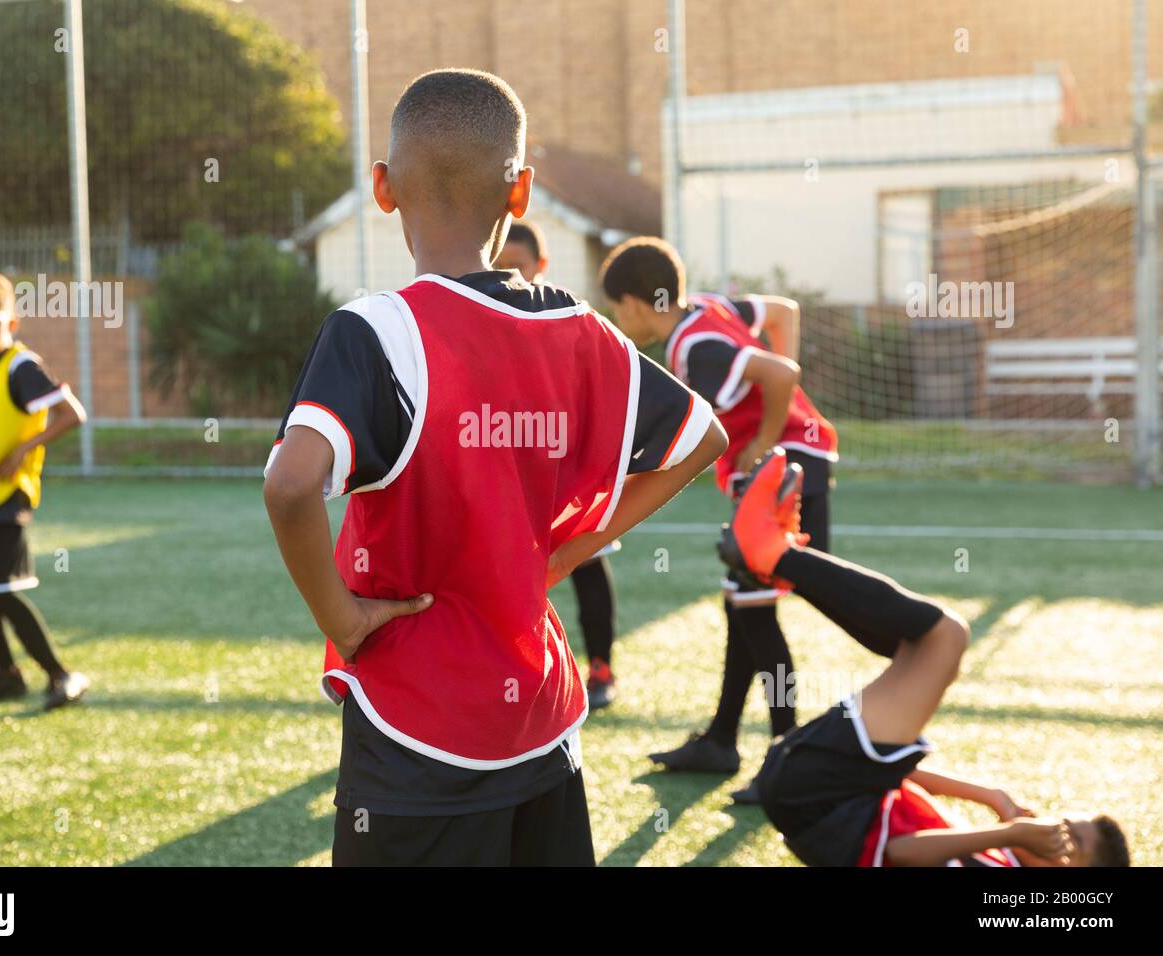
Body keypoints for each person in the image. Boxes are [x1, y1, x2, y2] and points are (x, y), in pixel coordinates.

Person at [262, 69, 726, 866]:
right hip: (543, 720)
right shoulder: (579, 329)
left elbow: (291, 483)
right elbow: (703, 438)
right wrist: (571, 550)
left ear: (382, 188)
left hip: (415, 731)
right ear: (522, 194)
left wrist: (340, 620)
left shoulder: (375, 332)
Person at [726, 449, 1130, 867]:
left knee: (946, 637)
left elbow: (900, 852)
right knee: (916, 647)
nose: (1057, 831)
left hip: (819, 798)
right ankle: (777, 562)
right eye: (1064, 823)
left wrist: (1005, 831)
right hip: (816, 786)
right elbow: (904, 777)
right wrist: (990, 796)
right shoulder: (997, 852)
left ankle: (772, 554)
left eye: (1070, 843)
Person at [600, 237, 837, 801]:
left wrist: (765, 437)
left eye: (616, 310)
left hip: (786, 473)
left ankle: (790, 760)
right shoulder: (707, 307)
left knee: (754, 612)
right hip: (796, 463)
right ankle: (723, 741)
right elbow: (785, 314)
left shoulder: (695, 344)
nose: (618, 320)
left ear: (634, 303)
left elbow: (780, 372)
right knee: (743, 603)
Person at [495, 220, 620, 709]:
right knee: (498, 574)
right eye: (499, 265)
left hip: (564, 465)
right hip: (503, 464)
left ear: (541, 267)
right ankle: (510, 675)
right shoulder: (478, 314)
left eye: (518, 267)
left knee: (588, 563)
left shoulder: (564, 316)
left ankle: (601, 668)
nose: (507, 275)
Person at [0, 272, 90, 710]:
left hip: (6, 497)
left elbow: (72, 415)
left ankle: (61, 675)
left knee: (0, 591)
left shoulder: (21, 366)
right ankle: (7, 675)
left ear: (11, 322)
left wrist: (22, 452)